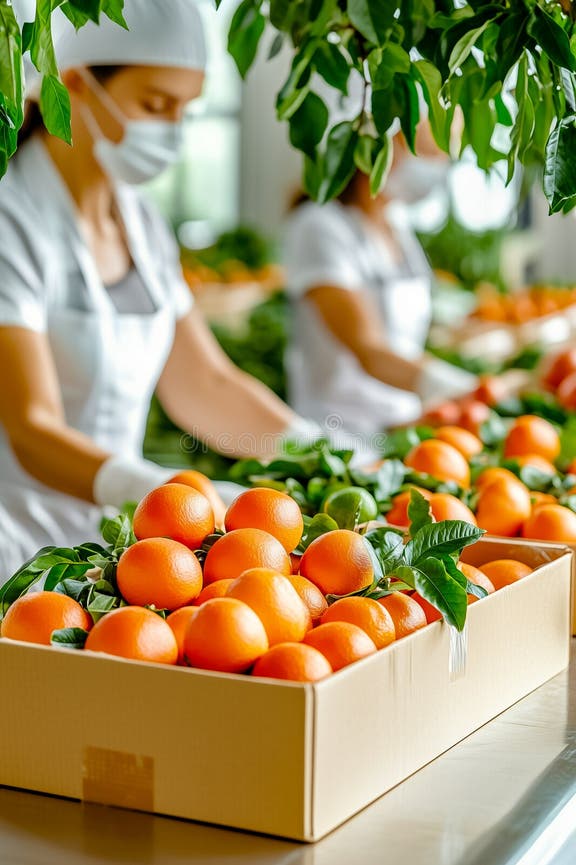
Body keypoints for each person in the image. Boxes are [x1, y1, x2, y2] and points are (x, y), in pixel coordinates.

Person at [0, 0, 318, 580]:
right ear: (74, 85)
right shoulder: (10, 217)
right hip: (20, 543)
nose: (171, 129)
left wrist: (313, 451)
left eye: (184, 110)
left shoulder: (140, 221)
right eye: (154, 105)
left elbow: (204, 383)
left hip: (127, 556)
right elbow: (31, 426)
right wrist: (161, 491)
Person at [283, 123, 478, 437]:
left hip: (402, 426)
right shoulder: (319, 226)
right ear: (376, 147)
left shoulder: (396, 225)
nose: (436, 166)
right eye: (427, 151)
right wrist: (464, 389)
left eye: (444, 154)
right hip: (339, 432)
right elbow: (368, 348)